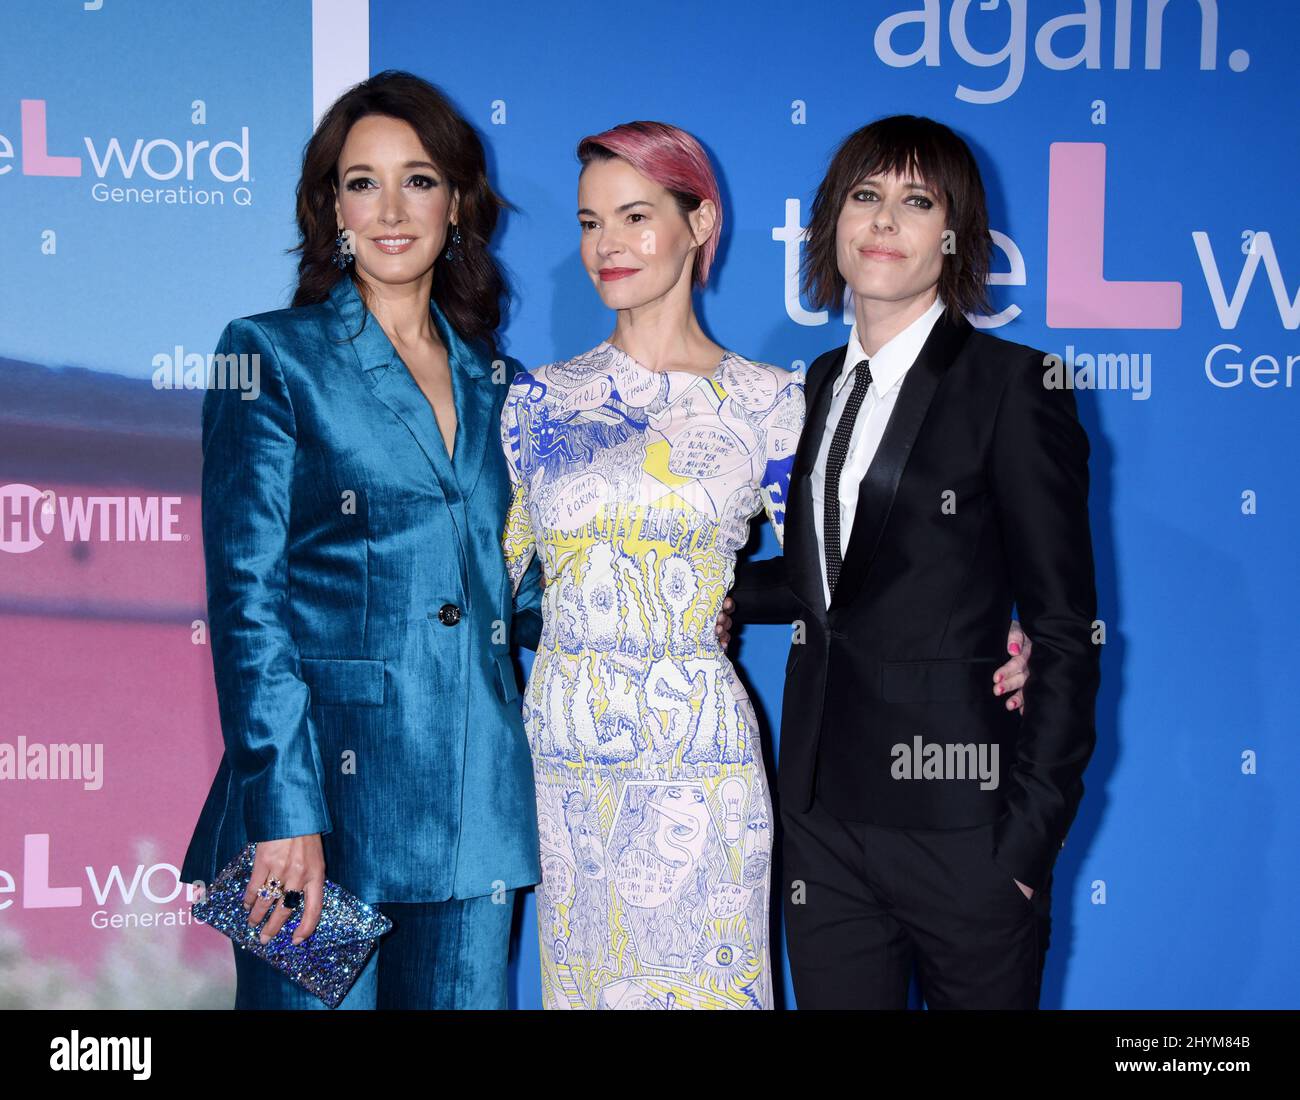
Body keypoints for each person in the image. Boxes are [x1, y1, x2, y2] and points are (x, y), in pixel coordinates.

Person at [180, 70, 544, 1009]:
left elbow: (521, 589)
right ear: (330, 206)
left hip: (475, 815)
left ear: (457, 202)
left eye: (418, 180)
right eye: (362, 181)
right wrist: (283, 813)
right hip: (325, 822)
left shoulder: (501, 382)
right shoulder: (269, 353)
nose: (391, 209)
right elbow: (246, 601)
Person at [723, 114, 1099, 1009]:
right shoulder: (814, 384)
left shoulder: (1015, 385)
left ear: (954, 235)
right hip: (821, 823)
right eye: (866, 195)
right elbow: (827, 584)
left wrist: (1025, 848)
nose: (885, 221)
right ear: (832, 222)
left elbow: (1064, 627)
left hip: (963, 827)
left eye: (915, 201)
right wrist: (700, 593)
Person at [499, 121, 800, 1010]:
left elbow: (837, 574)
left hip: (700, 767)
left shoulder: (770, 403)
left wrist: (989, 627)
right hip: (565, 759)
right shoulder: (536, 402)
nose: (608, 246)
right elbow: (489, 583)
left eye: (635, 216)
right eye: (592, 223)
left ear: (700, 222)